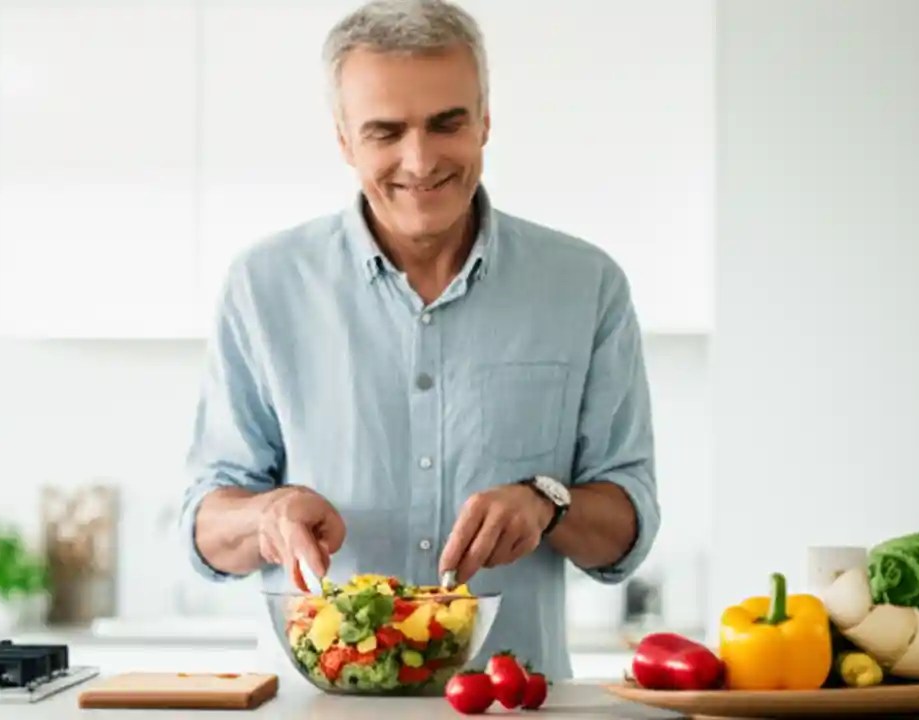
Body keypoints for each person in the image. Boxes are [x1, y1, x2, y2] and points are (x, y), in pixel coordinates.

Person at [179, 0, 658, 680]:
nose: (420, 159)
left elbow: (627, 527)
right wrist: (267, 514)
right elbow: (203, 529)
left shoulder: (587, 286)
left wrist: (545, 502)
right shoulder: (263, 286)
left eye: (447, 123)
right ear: (344, 139)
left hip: (509, 704)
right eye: (384, 132)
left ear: (486, 119)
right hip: (319, 709)